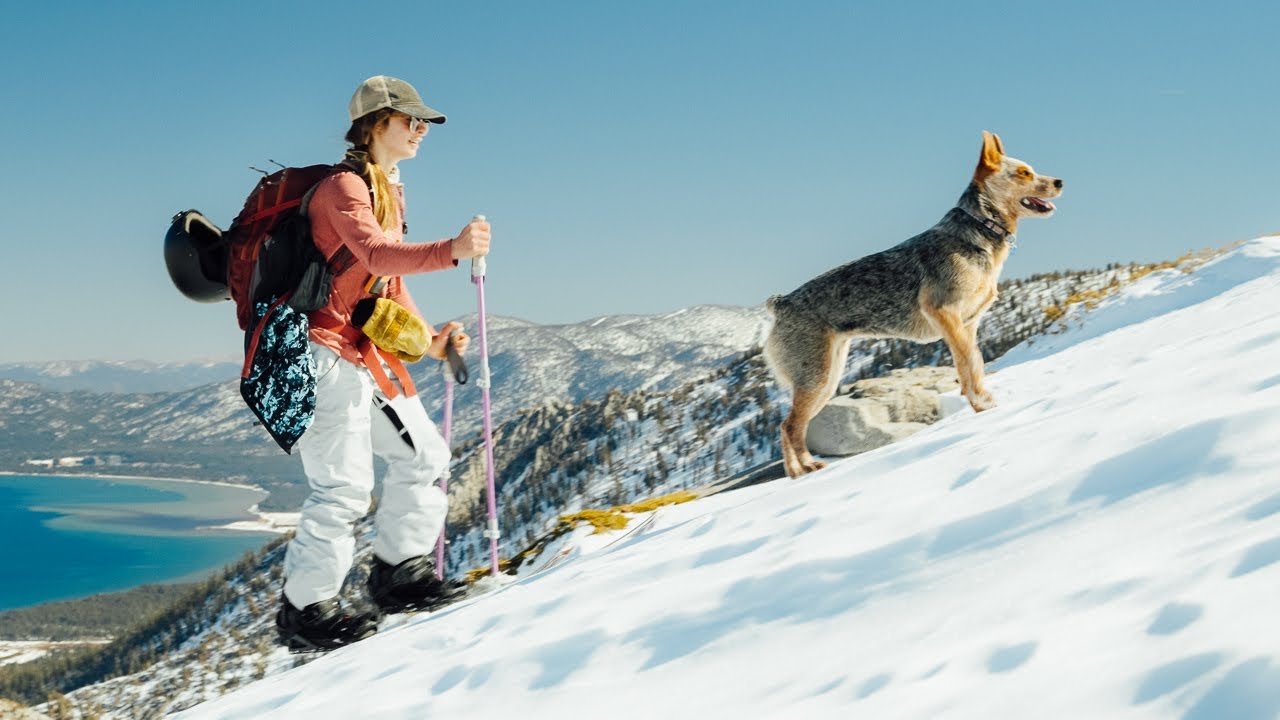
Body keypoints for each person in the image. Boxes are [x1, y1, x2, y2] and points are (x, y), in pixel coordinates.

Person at [274, 75, 492, 651]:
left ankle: (398, 573)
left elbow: (386, 284)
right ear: (375, 125)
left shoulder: (387, 188)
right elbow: (374, 252)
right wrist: (454, 250)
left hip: (357, 353)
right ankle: (306, 610)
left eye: (424, 122)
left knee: (426, 454)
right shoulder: (343, 189)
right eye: (410, 120)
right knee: (343, 489)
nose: (421, 130)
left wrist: (432, 343)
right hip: (319, 352)